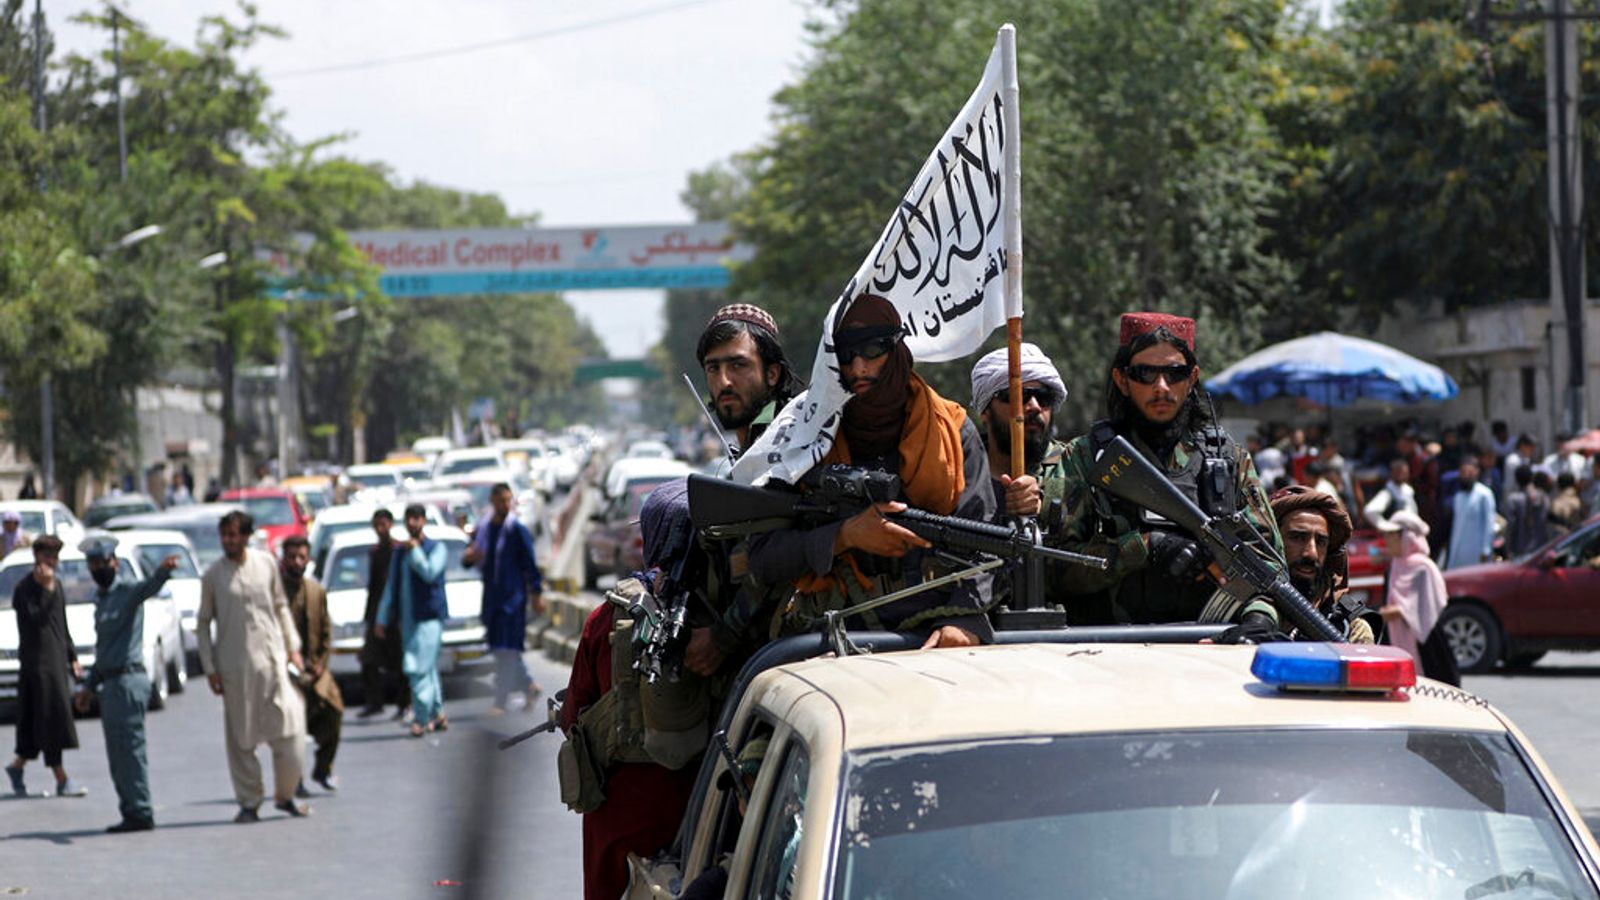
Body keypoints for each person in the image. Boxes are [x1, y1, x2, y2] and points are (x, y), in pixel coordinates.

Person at [745, 294, 997, 648]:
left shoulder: (952, 430)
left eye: (873, 350)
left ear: (896, 350)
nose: (859, 368)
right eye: (846, 355)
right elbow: (764, 557)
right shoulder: (805, 436)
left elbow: (987, 544)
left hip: (937, 634)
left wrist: (963, 618)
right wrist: (844, 535)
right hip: (833, 636)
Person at [1050, 312, 1284, 626]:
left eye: (1175, 373)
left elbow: (1270, 564)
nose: (1161, 387)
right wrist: (1143, 548)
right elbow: (1054, 569)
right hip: (1109, 648)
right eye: (1145, 373)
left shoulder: (1227, 460)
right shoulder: (1087, 458)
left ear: (1193, 378)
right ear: (1122, 380)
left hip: (1209, 644)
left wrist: (1259, 617)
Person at [197, 510, 311, 822]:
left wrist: (293, 648)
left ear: (246, 536)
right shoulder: (213, 576)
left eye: (234, 535)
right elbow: (204, 624)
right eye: (225, 535)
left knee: (290, 728)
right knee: (241, 739)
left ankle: (285, 795)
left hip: (272, 662)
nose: (228, 541)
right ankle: (249, 802)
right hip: (235, 669)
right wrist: (210, 668)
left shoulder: (266, 565)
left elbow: (280, 606)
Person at [71, 536, 176, 832]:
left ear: (114, 563)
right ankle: (130, 809)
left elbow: (149, 588)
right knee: (117, 754)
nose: (98, 568)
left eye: (102, 563)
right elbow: (104, 651)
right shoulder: (100, 601)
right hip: (110, 684)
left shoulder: (128, 592)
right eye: (92, 564)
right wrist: (88, 687)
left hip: (129, 681)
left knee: (131, 751)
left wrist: (163, 571)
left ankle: (141, 811)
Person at [6, 536, 87, 799]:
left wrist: (72, 656)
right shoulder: (24, 589)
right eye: (47, 557)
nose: (51, 563)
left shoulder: (57, 585)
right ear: (37, 558)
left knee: (35, 722)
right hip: (37, 665)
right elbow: (38, 619)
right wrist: (47, 589)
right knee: (51, 719)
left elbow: (60, 624)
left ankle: (17, 767)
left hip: (56, 662)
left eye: (54, 558)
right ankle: (61, 778)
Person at [462, 483, 545, 715]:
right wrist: (469, 557)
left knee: (507, 649)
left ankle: (501, 700)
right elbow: (469, 558)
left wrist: (536, 594)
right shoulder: (485, 529)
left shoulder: (516, 529)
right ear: (493, 501)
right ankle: (529, 685)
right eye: (501, 501)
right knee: (501, 648)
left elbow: (530, 565)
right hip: (492, 598)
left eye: (509, 500)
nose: (505, 505)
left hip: (513, 599)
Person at [968, 342, 1069, 520]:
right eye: (1019, 396)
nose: (1035, 406)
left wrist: (1043, 509)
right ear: (985, 411)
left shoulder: (1075, 466)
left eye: (1044, 397)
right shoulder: (958, 473)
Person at [375, 504, 450, 737]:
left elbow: (429, 572)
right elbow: (391, 588)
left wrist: (416, 551)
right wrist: (382, 618)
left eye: (417, 519)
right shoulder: (400, 552)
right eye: (409, 519)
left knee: (415, 668)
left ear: (424, 521)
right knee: (426, 668)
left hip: (428, 619)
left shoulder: (436, 548)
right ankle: (437, 713)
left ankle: (421, 717)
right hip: (407, 621)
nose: (412, 524)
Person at [695, 303, 803, 462]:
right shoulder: (740, 456)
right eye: (713, 368)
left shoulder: (800, 442)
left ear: (772, 374)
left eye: (738, 365)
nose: (724, 382)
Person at [1269, 486, 1373, 643]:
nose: (1311, 553)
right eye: (1297, 537)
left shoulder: (1350, 628)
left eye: (1321, 542)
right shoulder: (1241, 610)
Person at [280, 535, 343, 794]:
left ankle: (323, 769)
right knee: (292, 729)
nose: (297, 562)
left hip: (315, 669)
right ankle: (294, 781)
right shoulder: (276, 593)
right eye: (292, 557)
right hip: (285, 673)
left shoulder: (317, 592)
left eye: (301, 557)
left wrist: (319, 665)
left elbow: (327, 634)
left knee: (334, 711)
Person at [1377, 511, 1460, 685]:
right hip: (1395, 635)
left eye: (1391, 534)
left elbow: (1430, 605)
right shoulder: (1393, 567)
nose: (1386, 539)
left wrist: (1401, 611)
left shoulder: (1423, 567)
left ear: (1405, 537)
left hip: (1426, 641)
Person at [358, 508, 409, 719]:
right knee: (369, 659)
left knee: (399, 663)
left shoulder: (400, 550)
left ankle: (404, 704)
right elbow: (374, 586)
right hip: (376, 613)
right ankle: (374, 702)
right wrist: (370, 617)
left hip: (396, 615)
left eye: (384, 524)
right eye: (377, 525)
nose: (381, 529)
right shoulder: (374, 552)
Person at [1446, 458, 1497, 570]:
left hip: (1477, 553)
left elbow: (1489, 523)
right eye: (1463, 472)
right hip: (1458, 554)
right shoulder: (1458, 497)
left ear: (1476, 472)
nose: (1466, 475)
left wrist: (1486, 549)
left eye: (1469, 472)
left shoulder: (1485, 494)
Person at [1503, 465, 1550, 557]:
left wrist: (1507, 547)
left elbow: (1511, 525)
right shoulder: (1543, 496)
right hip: (1540, 547)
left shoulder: (1513, 499)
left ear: (1516, 480)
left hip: (1519, 549)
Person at [1363, 458, 1419, 528]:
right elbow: (1370, 511)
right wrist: (1387, 527)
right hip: (1396, 535)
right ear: (1392, 472)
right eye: (1399, 472)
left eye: (1405, 473)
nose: (1403, 475)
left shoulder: (1408, 491)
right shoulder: (1387, 493)